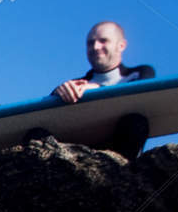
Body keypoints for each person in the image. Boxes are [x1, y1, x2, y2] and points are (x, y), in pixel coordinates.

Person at [46, 20, 155, 161]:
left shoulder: (139, 73)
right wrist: (58, 93)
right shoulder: (75, 85)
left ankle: (121, 174)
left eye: (103, 41)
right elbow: (47, 118)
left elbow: (141, 97)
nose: (96, 47)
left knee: (136, 121)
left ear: (121, 45)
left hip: (119, 153)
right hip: (80, 152)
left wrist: (97, 89)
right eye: (90, 43)